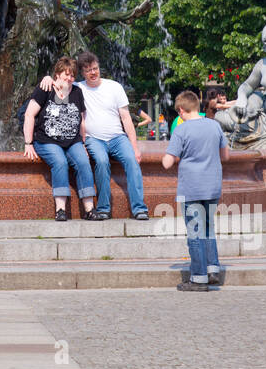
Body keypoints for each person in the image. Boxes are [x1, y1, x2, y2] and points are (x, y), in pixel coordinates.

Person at [41, 51, 147, 220]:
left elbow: (126, 119)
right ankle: (103, 208)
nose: (93, 72)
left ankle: (139, 208)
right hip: (93, 139)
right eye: (88, 70)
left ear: (99, 68)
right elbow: (58, 82)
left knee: (132, 162)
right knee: (102, 162)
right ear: (82, 73)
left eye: (95, 68)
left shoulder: (114, 87)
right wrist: (47, 78)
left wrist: (134, 147)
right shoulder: (78, 88)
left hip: (118, 138)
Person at [162, 90, 229, 291]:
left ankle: (198, 279)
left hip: (191, 188)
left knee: (195, 233)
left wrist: (169, 157)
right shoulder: (214, 126)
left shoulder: (181, 131)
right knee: (208, 228)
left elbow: (167, 163)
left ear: (181, 110)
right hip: (212, 187)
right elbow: (225, 156)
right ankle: (212, 269)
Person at [23, 56, 95, 222]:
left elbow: (81, 120)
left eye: (72, 75)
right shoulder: (45, 88)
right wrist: (28, 143)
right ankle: (60, 210)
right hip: (47, 141)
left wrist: (82, 143)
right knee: (60, 162)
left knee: (83, 162)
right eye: (66, 74)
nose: (69, 78)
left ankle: (89, 209)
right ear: (57, 74)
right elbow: (29, 114)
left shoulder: (77, 92)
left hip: (72, 141)